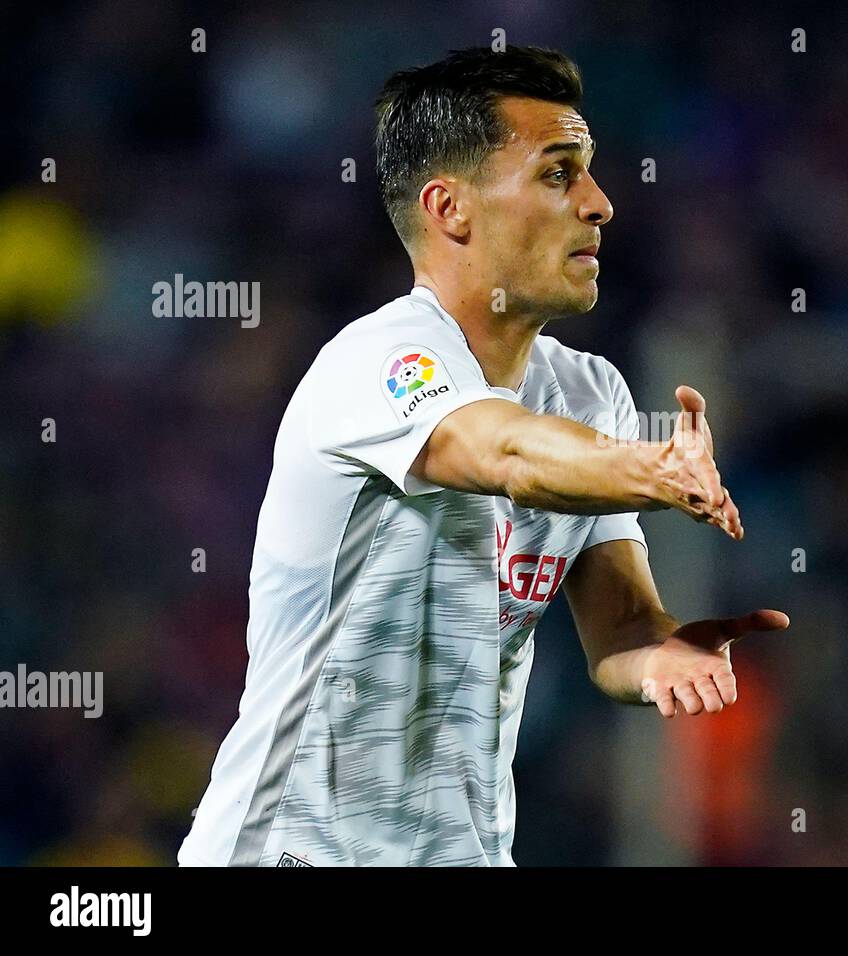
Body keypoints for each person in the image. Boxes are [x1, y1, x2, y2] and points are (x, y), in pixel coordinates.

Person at [178, 44, 788, 867]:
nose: (600, 203)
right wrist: (641, 468)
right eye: (557, 173)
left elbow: (620, 630)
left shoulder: (589, 393)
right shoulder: (378, 363)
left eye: (591, 171)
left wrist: (662, 660)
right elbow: (499, 449)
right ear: (451, 210)